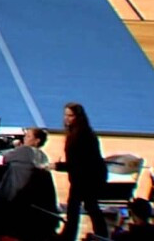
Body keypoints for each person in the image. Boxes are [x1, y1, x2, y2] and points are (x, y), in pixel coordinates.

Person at [59, 102, 108, 240]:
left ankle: (71, 235)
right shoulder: (76, 133)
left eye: (70, 115)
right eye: (65, 115)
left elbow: (78, 164)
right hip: (82, 176)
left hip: (89, 177)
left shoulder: (82, 135)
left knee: (82, 206)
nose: (66, 118)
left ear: (78, 117)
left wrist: (57, 166)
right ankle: (101, 234)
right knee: (86, 206)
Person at [0, 127, 50, 203]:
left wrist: (15, 146)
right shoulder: (44, 157)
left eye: (28, 136)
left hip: (11, 196)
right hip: (28, 198)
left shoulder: (24, 150)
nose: (24, 138)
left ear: (37, 141)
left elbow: (5, 158)